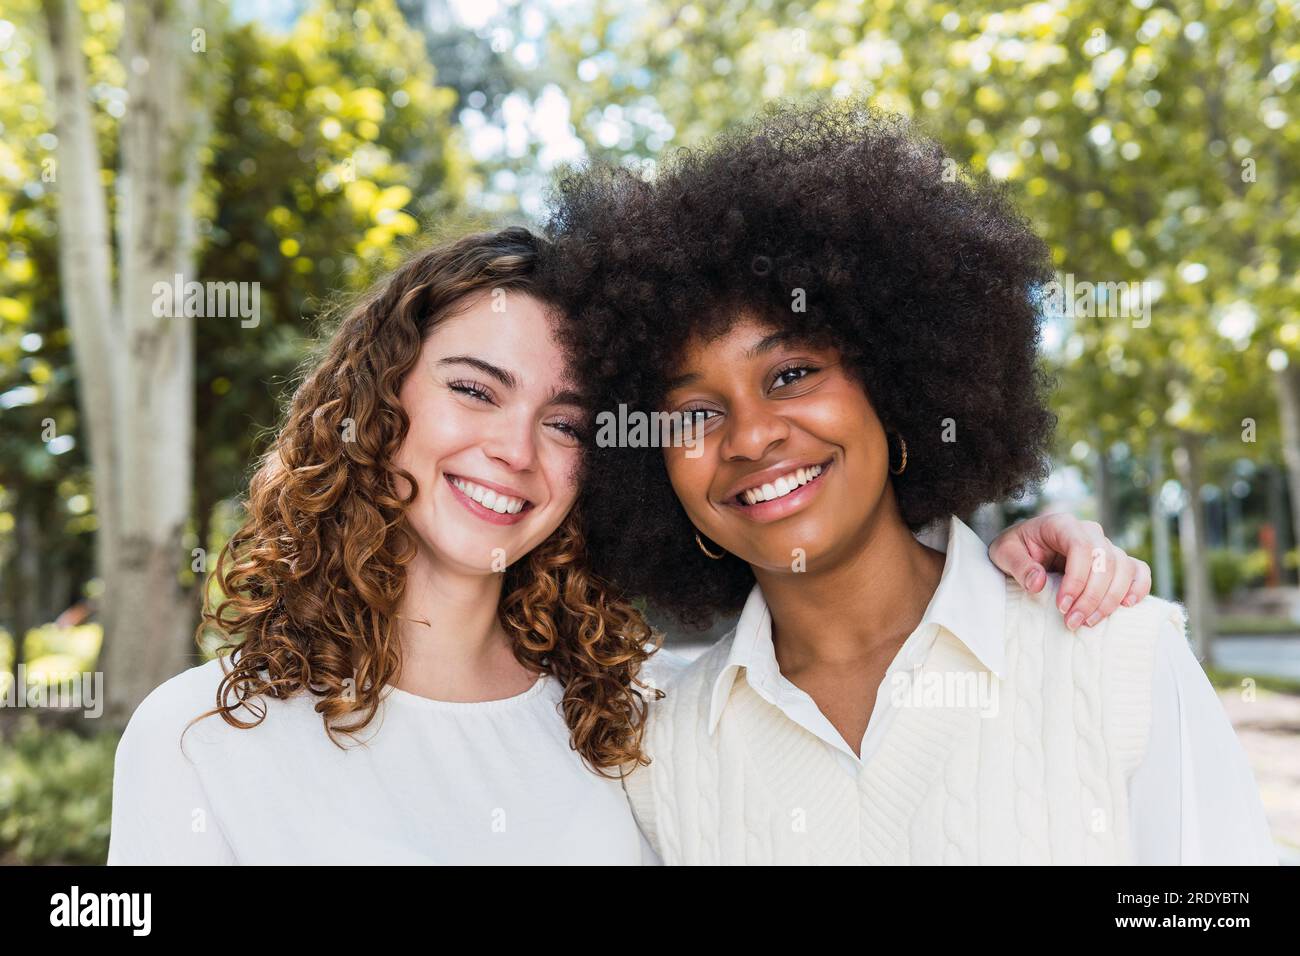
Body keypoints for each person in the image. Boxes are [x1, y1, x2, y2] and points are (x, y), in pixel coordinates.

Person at [108, 226, 1148, 866]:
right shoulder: (202, 738)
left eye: (562, 421)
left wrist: (993, 550)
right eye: (474, 388)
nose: (512, 450)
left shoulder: (643, 719)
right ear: (377, 406)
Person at [542, 100, 1276, 864]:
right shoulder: (663, 756)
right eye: (693, 413)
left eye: (792, 374)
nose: (753, 435)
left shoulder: (1112, 652)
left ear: (894, 387)